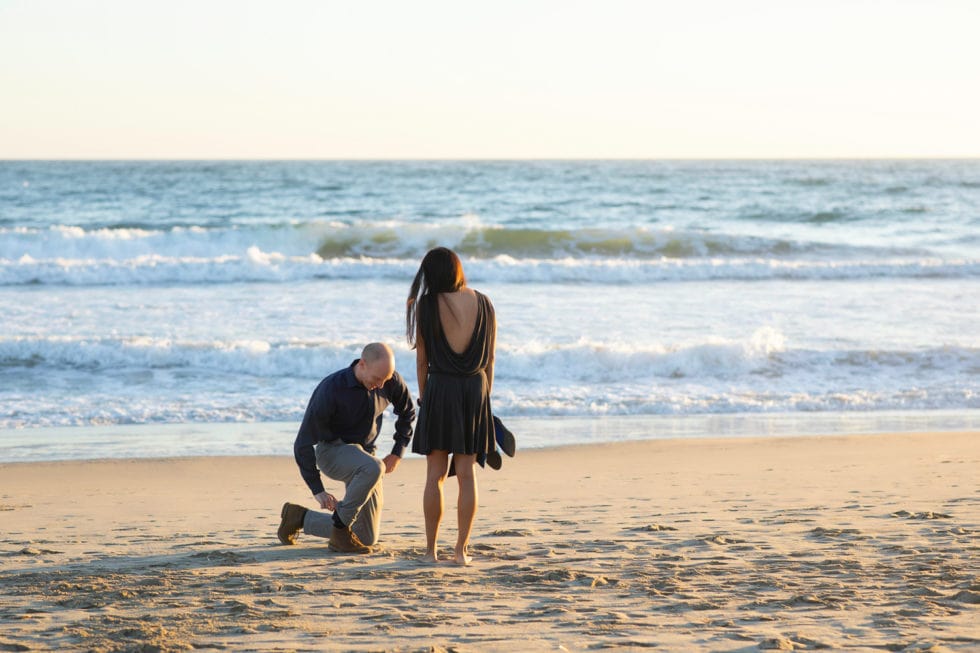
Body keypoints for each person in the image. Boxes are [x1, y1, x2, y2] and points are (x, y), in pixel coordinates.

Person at [277, 342, 415, 553]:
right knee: (375, 468)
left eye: (386, 380)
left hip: (365, 457)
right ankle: (340, 531)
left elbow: (407, 412)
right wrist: (318, 490)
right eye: (377, 379)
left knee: (366, 537)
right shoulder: (332, 388)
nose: (381, 385)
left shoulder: (389, 380)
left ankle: (299, 518)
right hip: (332, 452)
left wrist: (397, 452)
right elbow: (303, 443)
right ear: (362, 365)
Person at [407, 247, 497, 565]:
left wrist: (423, 397)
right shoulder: (485, 303)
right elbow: (489, 360)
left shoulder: (427, 305)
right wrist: (484, 401)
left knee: (435, 475)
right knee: (467, 474)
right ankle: (461, 551)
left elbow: (422, 361)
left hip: (440, 390)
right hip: (475, 390)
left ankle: (431, 551)